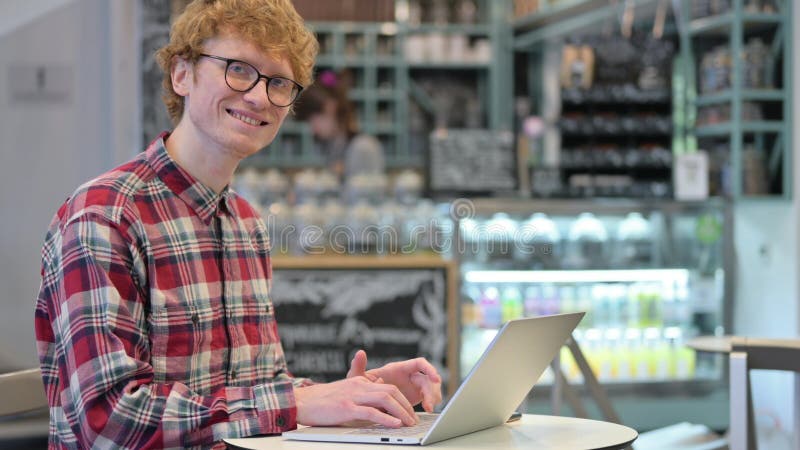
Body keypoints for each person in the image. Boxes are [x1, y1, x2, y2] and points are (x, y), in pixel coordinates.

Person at [33, 0, 442, 448]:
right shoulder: (104, 216)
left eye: (279, 82)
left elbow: (257, 386)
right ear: (181, 74)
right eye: (239, 69)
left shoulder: (245, 223)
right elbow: (110, 419)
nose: (260, 96)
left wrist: (357, 395)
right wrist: (297, 405)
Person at [293, 69, 385, 179]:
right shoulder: (334, 147)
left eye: (313, 121)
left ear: (329, 108)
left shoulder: (363, 147)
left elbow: (366, 193)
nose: (313, 129)